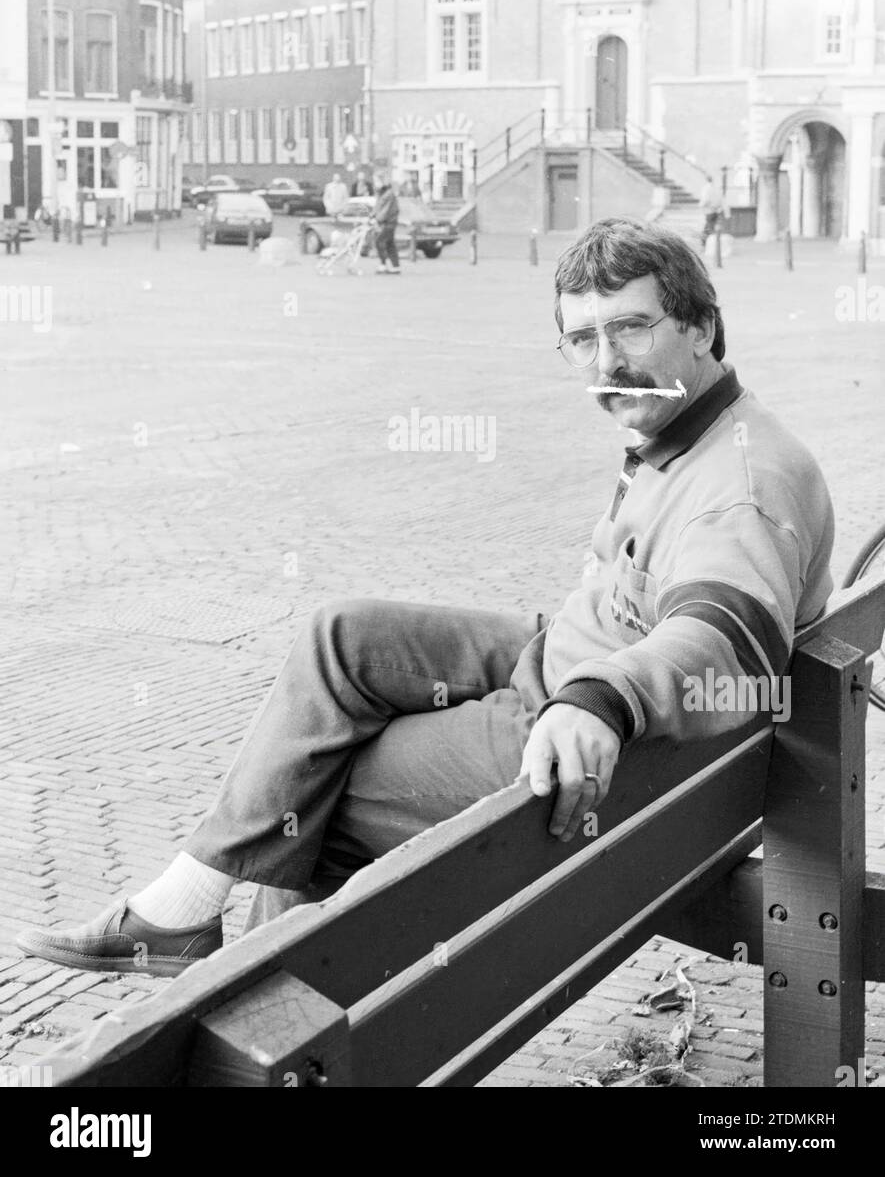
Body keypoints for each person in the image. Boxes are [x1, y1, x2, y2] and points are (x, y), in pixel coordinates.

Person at [17, 218, 834, 976]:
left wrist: (597, 702)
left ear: (698, 327)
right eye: (580, 339)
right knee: (343, 635)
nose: (603, 363)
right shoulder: (685, 429)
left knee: (317, 779)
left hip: (608, 748)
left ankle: (250, 1017)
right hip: (561, 661)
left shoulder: (740, 486)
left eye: (629, 328)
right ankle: (187, 903)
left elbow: (727, 642)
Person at [373, 179, 401, 275]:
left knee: (379, 241)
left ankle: (383, 264)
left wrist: (377, 219)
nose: (376, 184)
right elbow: (377, 207)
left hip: (389, 222)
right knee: (390, 244)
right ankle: (395, 266)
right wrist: (372, 215)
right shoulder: (382, 193)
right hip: (388, 222)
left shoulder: (388, 194)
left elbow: (385, 210)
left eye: (377, 181)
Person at [699, 176, 725, 246]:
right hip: (716, 210)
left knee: (708, 227)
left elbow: (705, 199)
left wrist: (701, 206)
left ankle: (705, 243)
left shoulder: (706, 188)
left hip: (709, 210)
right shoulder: (716, 188)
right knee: (712, 227)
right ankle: (710, 243)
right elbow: (720, 199)